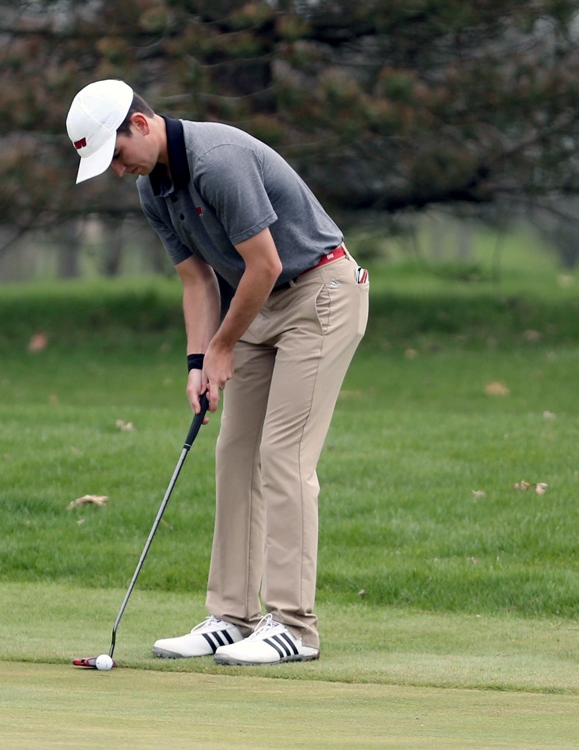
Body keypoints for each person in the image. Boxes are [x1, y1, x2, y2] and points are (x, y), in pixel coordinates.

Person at [67, 79, 368, 665]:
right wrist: (197, 360)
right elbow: (197, 280)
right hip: (256, 305)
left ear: (141, 123)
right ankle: (233, 615)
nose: (117, 170)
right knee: (234, 454)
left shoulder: (217, 160)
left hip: (320, 293)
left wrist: (222, 347)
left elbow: (265, 262)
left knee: (284, 456)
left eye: (117, 154)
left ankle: (294, 627)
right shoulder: (154, 190)